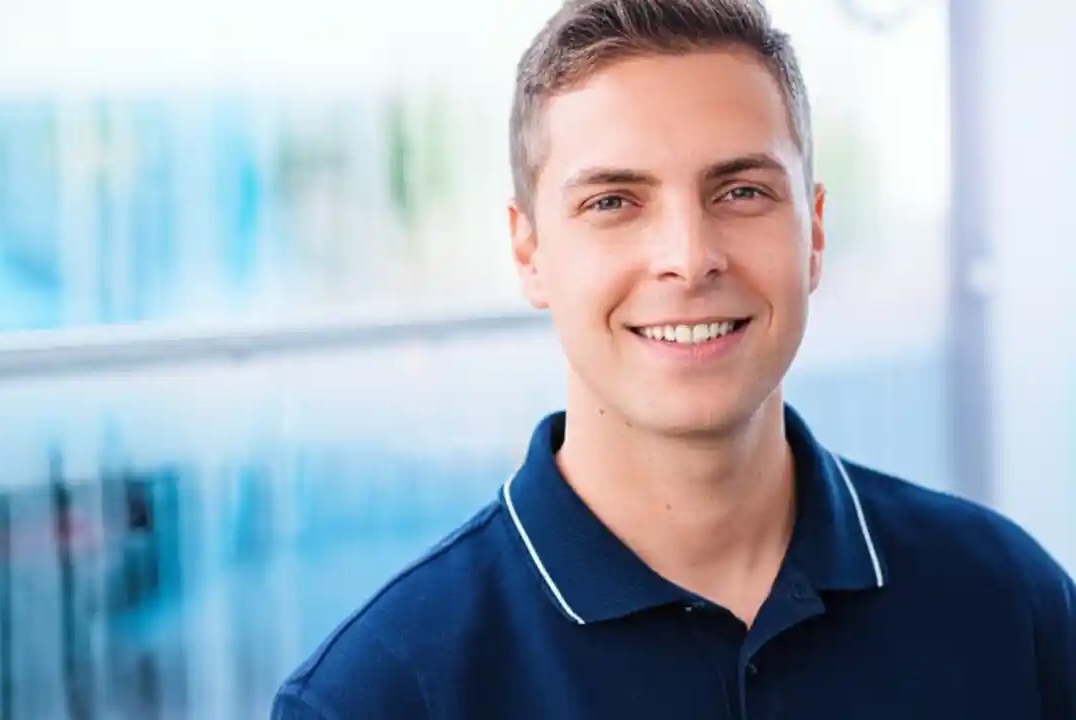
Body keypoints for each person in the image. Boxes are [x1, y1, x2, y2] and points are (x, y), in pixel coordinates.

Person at [271, 0, 1076, 717]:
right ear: (530, 252)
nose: (689, 259)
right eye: (613, 202)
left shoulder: (1010, 602)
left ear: (815, 231)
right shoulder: (379, 693)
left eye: (741, 192)